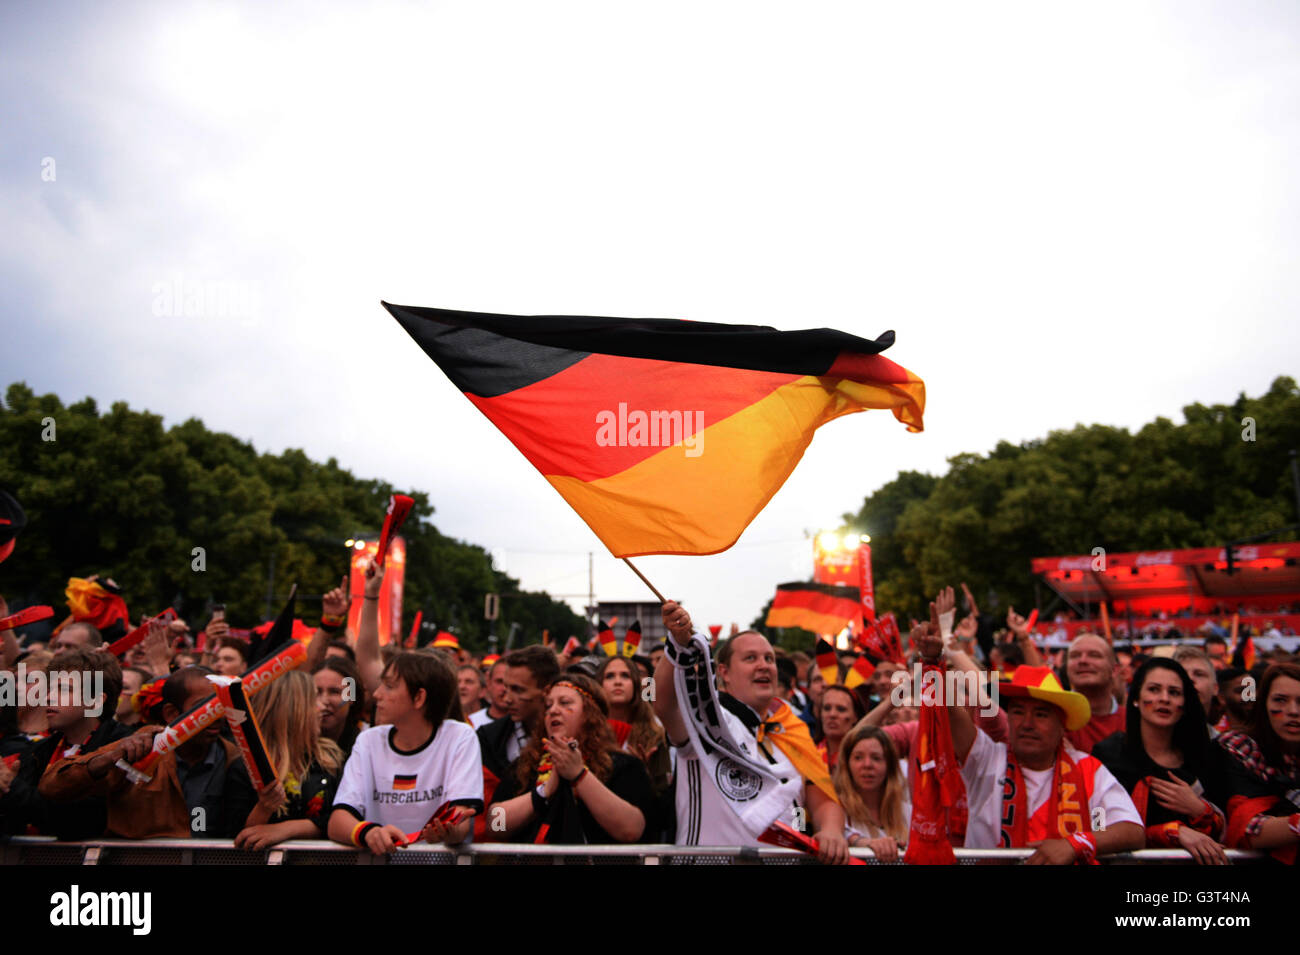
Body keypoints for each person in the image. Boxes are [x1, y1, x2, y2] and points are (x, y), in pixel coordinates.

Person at [922, 613, 1144, 862]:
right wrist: (932, 661)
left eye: (1040, 714)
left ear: (1062, 726)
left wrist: (1074, 844)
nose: (1027, 723)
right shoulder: (985, 758)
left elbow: (1131, 830)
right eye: (1018, 712)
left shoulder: (1088, 771)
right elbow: (949, 709)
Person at [652, 601, 850, 865]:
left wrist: (831, 830)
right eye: (750, 658)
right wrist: (677, 647)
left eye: (769, 659)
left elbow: (816, 799)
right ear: (724, 672)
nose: (764, 665)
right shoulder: (708, 720)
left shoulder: (793, 729)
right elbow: (663, 703)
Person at [39, 666, 256, 838]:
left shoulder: (236, 758)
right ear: (171, 713)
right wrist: (107, 760)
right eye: (204, 707)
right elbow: (53, 786)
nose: (215, 715)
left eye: (219, 706)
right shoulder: (141, 749)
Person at [327, 651, 482, 854]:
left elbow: (460, 822)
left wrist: (446, 831)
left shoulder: (459, 737)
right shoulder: (368, 740)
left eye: (389, 687)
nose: (376, 694)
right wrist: (369, 833)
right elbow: (337, 821)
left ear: (419, 698)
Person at [1093, 658, 1230, 864]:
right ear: (1136, 698)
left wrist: (1201, 811)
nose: (1164, 698)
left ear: (1185, 704)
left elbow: (1228, 830)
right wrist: (1172, 833)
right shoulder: (1108, 755)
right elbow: (1097, 826)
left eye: (1174, 692)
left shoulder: (1206, 756)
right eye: (1154, 690)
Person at [488, 674, 655, 844]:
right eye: (548, 705)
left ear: (590, 714)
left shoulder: (623, 765)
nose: (553, 710)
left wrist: (579, 775)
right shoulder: (526, 764)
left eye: (565, 703)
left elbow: (631, 831)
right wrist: (544, 792)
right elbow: (495, 826)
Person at [1, 647, 131, 839]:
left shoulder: (123, 747)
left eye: (63, 689)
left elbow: (78, 821)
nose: (48, 698)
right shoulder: (38, 752)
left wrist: (12, 787)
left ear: (95, 701)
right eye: (49, 689)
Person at [234, 670, 344, 850]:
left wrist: (286, 829)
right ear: (293, 710)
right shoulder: (246, 766)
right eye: (314, 698)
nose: (323, 705)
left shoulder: (331, 760)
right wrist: (264, 807)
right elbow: (238, 838)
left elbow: (338, 820)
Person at [1217, 661, 1300, 864]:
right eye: (1280, 700)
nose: (1293, 711)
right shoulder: (1238, 748)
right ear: (1263, 705)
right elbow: (1247, 827)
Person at [477, 645, 558, 785]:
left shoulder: (573, 735)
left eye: (517, 690)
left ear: (547, 691)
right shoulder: (489, 737)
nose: (507, 699)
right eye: (506, 687)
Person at [833, 723, 910, 862]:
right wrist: (865, 843)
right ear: (847, 764)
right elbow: (837, 834)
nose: (867, 765)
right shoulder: (834, 808)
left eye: (876, 758)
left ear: (889, 766)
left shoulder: (908, 812)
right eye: (858, 757)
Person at [595, 654, 670, 795]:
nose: (618, 682)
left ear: (636, 685)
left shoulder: (655, 735)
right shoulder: (588, 733)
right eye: (610, 676)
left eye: (625, 676)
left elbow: (664, 795)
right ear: (599, 685)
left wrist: (644, 775)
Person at [1063, 634, 1125, 753]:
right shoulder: (1055, 719)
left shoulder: (1135, 722)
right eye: (1075, 656)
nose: (1083, 661)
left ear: (1114, 670)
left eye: (1094, 655)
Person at [313, 656, 366, 760]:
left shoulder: (364, 747)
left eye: (334, 692)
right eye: (317, 691)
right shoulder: (293, 747)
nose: (324, 700)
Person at [1172, 646, 1221, 737]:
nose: (1190, 679)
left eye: (1199, 674)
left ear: (1215, 688)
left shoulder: (1225, 747)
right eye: (1182, 674)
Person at [817, 684, 864, 770]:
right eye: (827, 708)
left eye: (841, 709)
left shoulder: (864, 757)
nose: (832, 714)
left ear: (855, 717)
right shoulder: (807, 752)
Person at [459, 664, 491, 728]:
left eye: (469, 682)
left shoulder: (492, 723)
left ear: (482, 691)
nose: (461, 686)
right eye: (457, 682)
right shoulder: (444, 720)